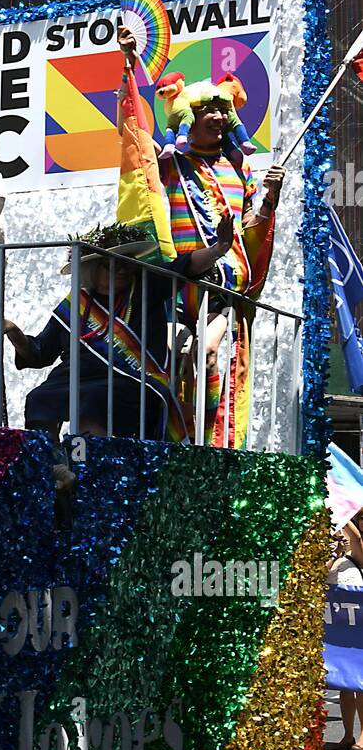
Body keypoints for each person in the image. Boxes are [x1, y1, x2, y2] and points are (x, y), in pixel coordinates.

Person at [118, 26, 285, 447]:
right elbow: (133, 130)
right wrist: (128, 64)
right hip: (176, 285)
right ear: (187, 117)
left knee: (209, 356)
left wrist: (270, 199)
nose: (216, 116)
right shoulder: (170, 161)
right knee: (169, 364)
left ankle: (207, 443)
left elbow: (251, 228)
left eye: (220, 109)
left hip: (222, 286)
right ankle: (171, 443)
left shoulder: (238, 168)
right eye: (206, 109)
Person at [0, 220, 234, 439]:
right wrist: (14, 332)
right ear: (92, 269)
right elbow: (40, 353)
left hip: (131, 380)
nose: (122, 270)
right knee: (39, 397)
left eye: (125, 264)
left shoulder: (146, 287)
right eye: (110, 265)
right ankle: (47, 467)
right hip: (74, 377)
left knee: (95, 401)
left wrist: (218, 249)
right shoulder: (76, 303)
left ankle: (90, 470)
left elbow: (186, 265)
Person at [327, 517, 363, 750]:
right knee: (343, 680)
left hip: (357, 619)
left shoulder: (357, 551)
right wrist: (333, 552)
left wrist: (342, 515)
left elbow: (357, 539)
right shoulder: (335, 557)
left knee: (360, 679)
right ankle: (348, 734)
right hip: (335, 619)